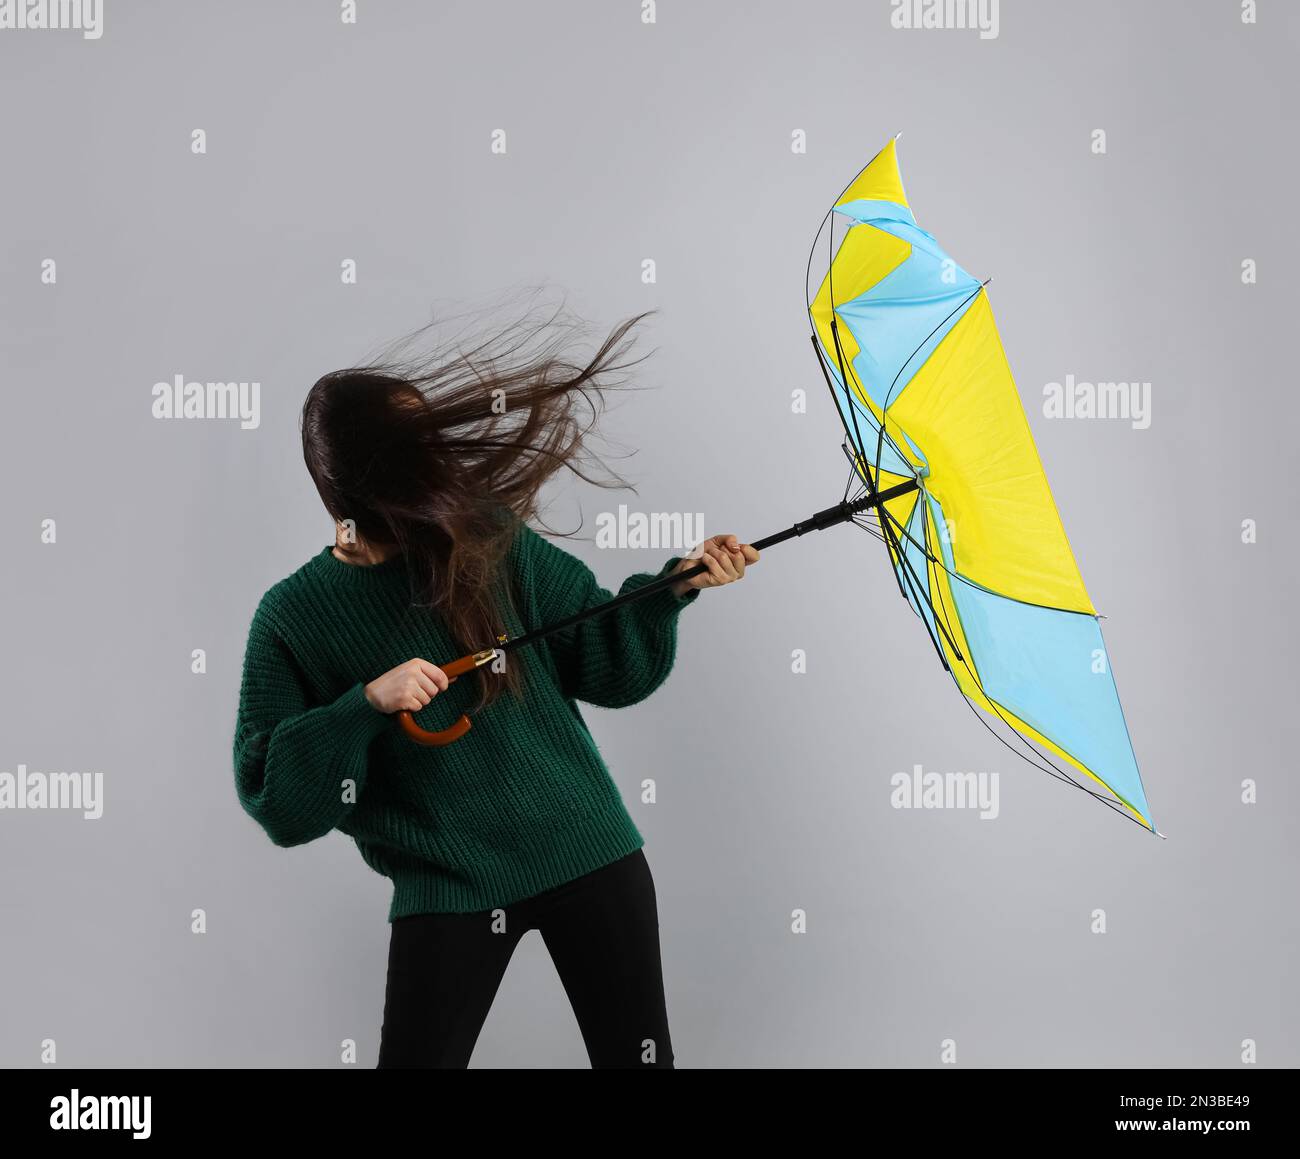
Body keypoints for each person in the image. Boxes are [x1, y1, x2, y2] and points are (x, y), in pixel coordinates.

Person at [231, 304, 759, 1068]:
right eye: (413, 443)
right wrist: (364, 707)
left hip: (588, 850)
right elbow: (279, 802)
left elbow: (605, 661)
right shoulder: (290, 617)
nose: (439, 454)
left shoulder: (484, 535)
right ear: (360, 477)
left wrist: (674, 588)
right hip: (450, 885)